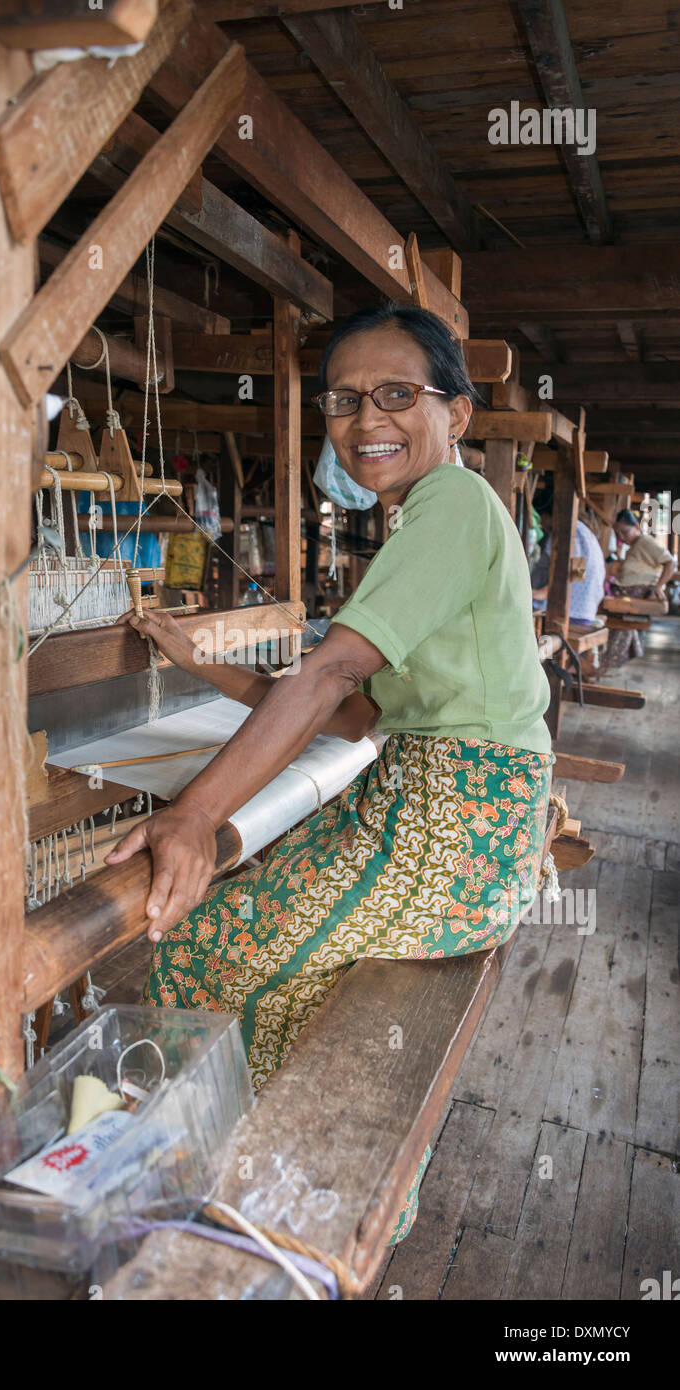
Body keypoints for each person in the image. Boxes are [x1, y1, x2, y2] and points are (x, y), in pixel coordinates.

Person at [109, 301, 554, 1248]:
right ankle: (302, 1206)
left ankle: (270, 1220)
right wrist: (198, 665)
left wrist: (193, 817)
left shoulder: (453, 502)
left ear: (458, 414)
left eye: (398, 394)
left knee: (207, 945)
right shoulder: (427, 528)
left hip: (453, 817)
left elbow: (333, 673)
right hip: (457, 817)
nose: (365, 421)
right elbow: (354, 709)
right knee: (271, 953)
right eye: (344, 401)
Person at [602, 508, 676, 670]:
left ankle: (607, 663)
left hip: (634, 594)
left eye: (624, 532)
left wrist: (658, 587)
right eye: (617, 533)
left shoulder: (645, 542)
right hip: (624, 592)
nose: (621, 537)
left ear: (636, 526)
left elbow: (670, 562)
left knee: (617, 620)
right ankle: (610, 661)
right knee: (620, 623)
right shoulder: (635, 546)